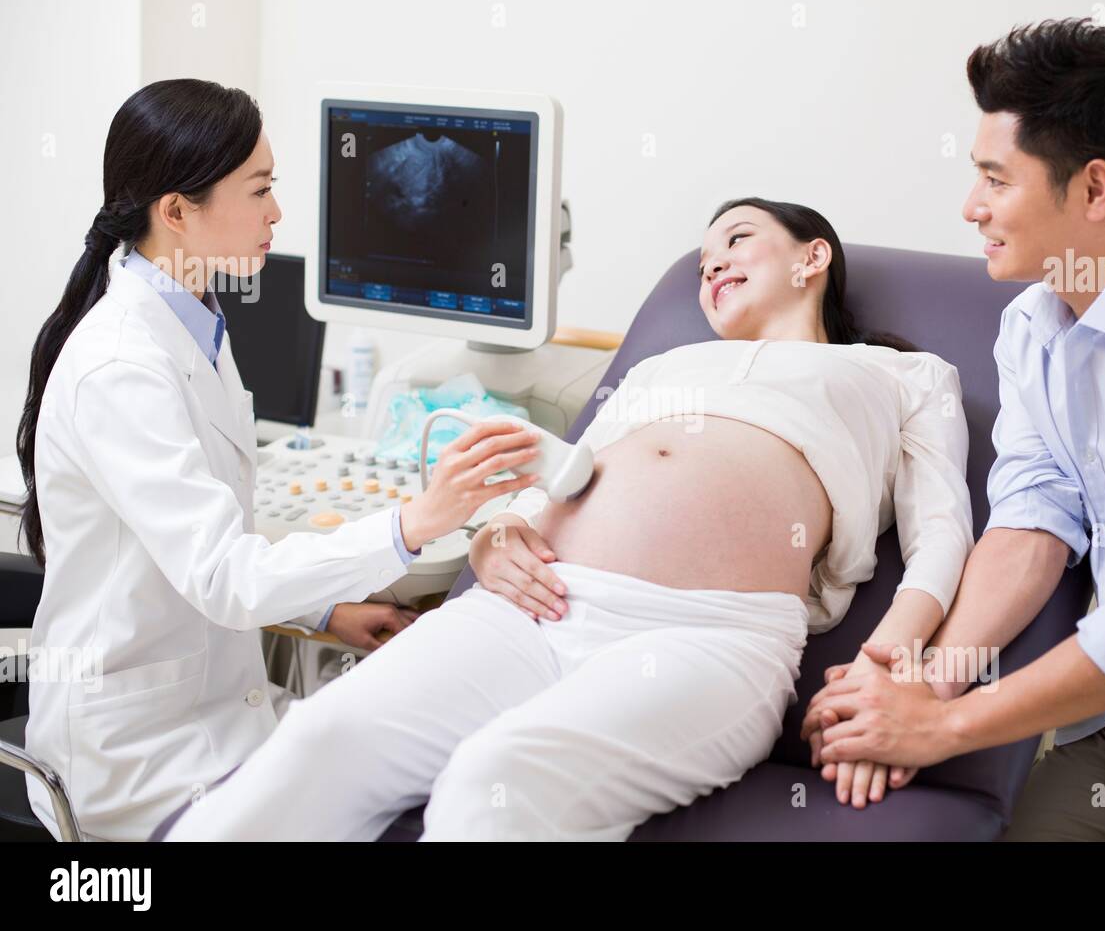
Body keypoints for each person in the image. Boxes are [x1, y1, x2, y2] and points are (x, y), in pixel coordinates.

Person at [163, 197, 975, 841]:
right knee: (318, 738)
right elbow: (567, 471)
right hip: (530, 605)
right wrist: (495, 534)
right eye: (701, 262)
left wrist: (890, 657)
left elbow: (943, 529)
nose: (713, 263)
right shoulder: (662, 362)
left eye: (736, 239)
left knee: (498, 782)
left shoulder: (900, 375)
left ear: (813, 257)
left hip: (703, 635)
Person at [802, 19, 1105, 841]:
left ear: (1094, 190)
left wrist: (940, 728)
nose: (972, 207)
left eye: (997, 181)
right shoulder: (1032, 328)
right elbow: (1032, 524)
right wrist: (932, 682)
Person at [16, 79, 542, 840]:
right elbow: (225, 577)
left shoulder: (195, 321)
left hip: (211, 722)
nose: (277, 214)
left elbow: (216, 538)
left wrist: (328, 611)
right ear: (176, 213)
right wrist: (417, 520)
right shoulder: (121, 368)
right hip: (136, 764)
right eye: (259, 190)